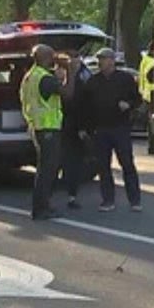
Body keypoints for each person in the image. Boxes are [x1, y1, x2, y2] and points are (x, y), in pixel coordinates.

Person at [82, 47, 145, 212]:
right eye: (99, 59)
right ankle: (107, 200)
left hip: (120, 128)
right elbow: (85, 107)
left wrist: (128, 104)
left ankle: (135, 200)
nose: (100, 62)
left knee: (127, 164)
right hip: (100, 129)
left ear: (112, 61)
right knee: (103, 166)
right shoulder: (93, 82)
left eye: (103, 59)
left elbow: (138, 99)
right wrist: (86, 128)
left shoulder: (125, 79)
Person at [21, 44, 65, 220]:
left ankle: (42, 205)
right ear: (45, 58)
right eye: (51, 56)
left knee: (44, 169)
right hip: (48, 128)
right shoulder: (45, 78)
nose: (54, 58)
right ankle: (41, 208)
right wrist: (69, 72)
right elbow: (67, 93)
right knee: (48, 170)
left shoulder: (30, 76)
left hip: (37, 126)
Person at [59, 52, 93, 210]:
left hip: (70, 128)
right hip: (62, 128)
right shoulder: (55, 81)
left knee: (73, 162)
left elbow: (82, 106)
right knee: (68, 161)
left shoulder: (81, 81)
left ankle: (71, 194)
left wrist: (83, 128)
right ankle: (68, 195)